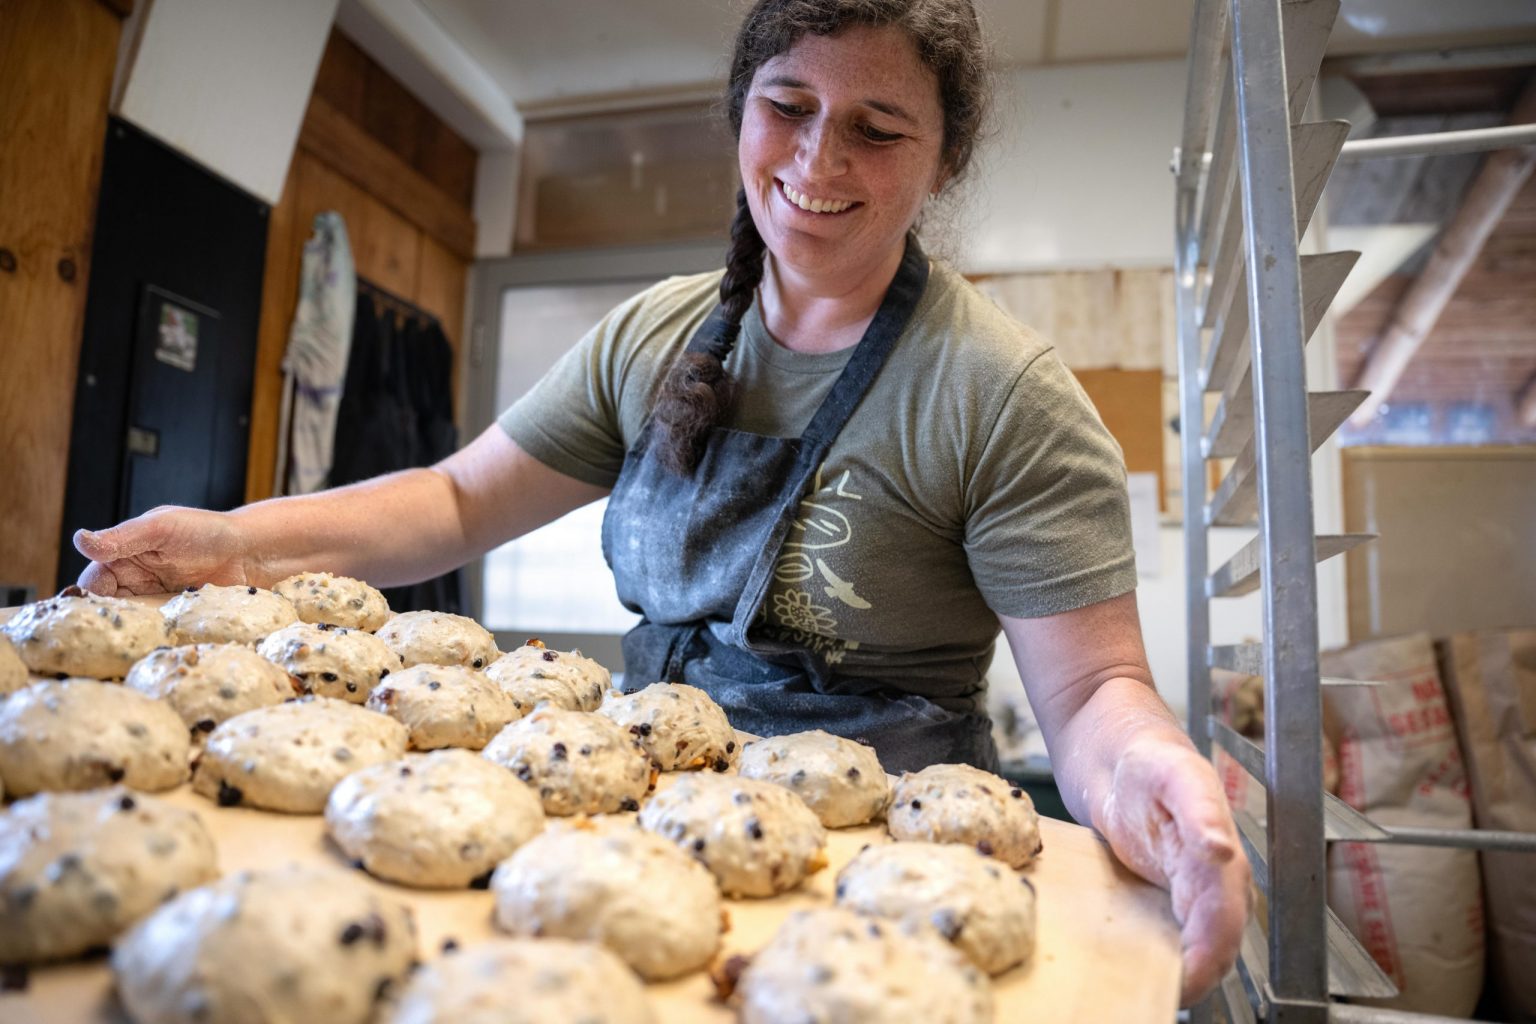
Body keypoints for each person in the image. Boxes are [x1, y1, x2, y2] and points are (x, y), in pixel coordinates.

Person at [74, 0, 1247, 1004]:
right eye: (788, 107)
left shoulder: (1001, 396)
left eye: (878, 129)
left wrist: (1150, 772)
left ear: (943, 161)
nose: (819, 160)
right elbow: (450, 500)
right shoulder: (654, 338)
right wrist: (228, 541)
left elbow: (1092, 689)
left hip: (880, 868)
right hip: (643, 826)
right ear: (742, 111)